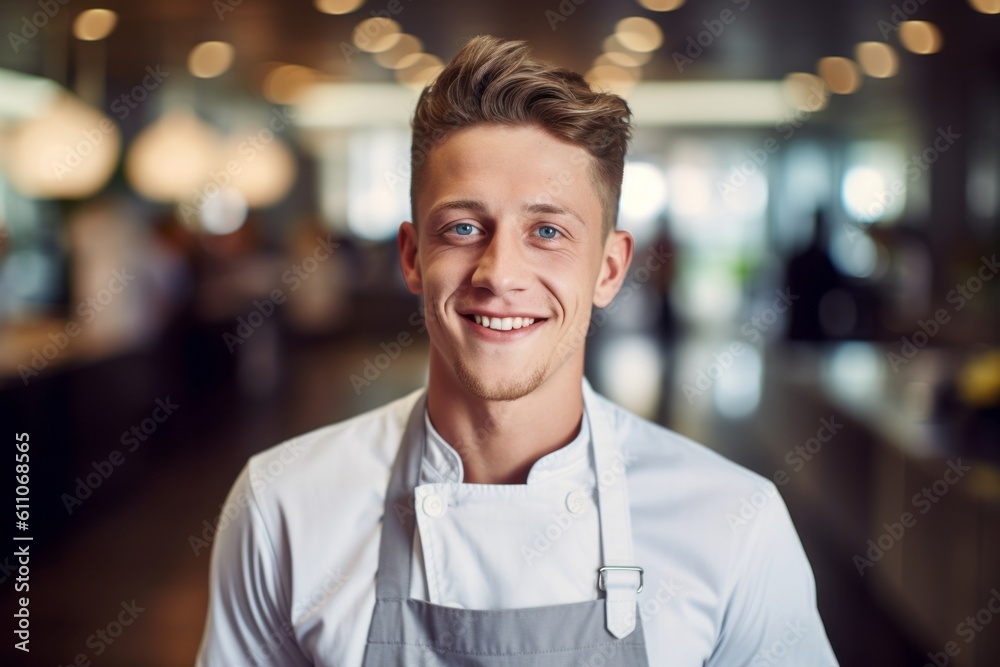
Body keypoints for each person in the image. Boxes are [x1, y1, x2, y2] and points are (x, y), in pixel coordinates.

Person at [197, 35, 839, 666]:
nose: (499, 274)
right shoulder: (282, 505)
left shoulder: (734, 521)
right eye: (464, 228)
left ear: (610, 269)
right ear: (413, 258)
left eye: (549, 230)